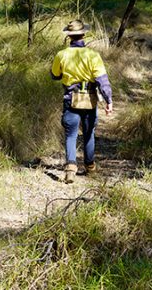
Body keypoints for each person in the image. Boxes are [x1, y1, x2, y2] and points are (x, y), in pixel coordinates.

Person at [50, 19, 113, 183]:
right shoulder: (93, 55)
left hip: (70, 99)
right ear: (83, 34)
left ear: (69, 36)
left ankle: (70, 169)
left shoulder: (61, 55)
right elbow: (102, 81)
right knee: (89, 132)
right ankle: (90, 166)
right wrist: (109, 101)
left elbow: (55, 75)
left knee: (71, 134)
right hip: (89, 99)